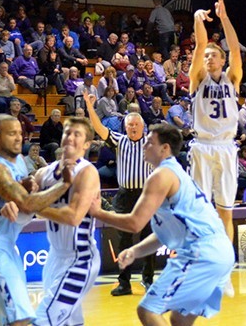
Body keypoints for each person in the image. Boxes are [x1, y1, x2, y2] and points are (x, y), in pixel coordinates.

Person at [89, 124, 235, 325]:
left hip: (201, 252)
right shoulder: (177, 173)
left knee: (148, 310)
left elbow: (134, 223)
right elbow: (165, 233)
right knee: (179, 318)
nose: (144, 146)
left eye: (149, 142)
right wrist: (135, 251)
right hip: (222, 253)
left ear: (165, 148)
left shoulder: (161, 175)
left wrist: (98, 213)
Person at [0, 114, 74, 326]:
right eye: (11, 134)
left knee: (7, 320)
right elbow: (27, 204)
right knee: (20, 318)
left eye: (20, 133)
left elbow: (18, 193)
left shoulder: (18, 162)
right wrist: (63, 185)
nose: (18, 138)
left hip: (5, 246)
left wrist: (23, 186)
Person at [26, 117, 102, 326]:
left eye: (77, 134)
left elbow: (73, 216)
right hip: (54, 258)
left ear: (87, 144)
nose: (70, 137)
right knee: (68, 321)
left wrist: (34, 206)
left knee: (44, 319)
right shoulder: (45, 172)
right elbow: (24, 200)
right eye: (67, 132)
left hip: (80, 259)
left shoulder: (87, 172)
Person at [84, 93, 156, 296]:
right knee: (124, 240)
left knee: (148, 238)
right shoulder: (119, 140)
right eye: (129, 125)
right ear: (125, 127)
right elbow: (98, 129)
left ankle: (148, 279)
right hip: (124, 196)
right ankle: (124, 282)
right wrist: (90, 106)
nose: (132, 128)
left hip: (146, 197)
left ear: (142, 127)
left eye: (136, 125)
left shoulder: (152, 143)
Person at [188, 0, 243, 241]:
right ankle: (201, 263)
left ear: (222, 60)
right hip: (202, 146)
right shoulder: (198, 78)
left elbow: (235, 48)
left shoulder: (232, 79)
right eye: (207, 56)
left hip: (226, 147)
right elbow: (200, 46)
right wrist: (198, 20)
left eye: (213, 55)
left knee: (225, 213)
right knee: (200, 211)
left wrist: (225, 17)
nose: (209, 57)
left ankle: (224, 266)